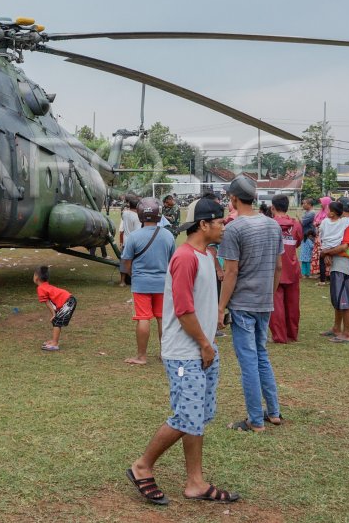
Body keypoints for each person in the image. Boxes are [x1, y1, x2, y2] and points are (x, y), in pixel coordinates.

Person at [126, 196, 239, 506]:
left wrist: (212, 330)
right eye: (219, 223)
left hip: (204, 348)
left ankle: (195, 482)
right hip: (186, 352)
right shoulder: (186, 257)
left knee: (197, 416)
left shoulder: (206, 256)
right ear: (204, 224)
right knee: (186, 416)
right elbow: (184, 310)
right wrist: (204, 343)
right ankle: (142, 466)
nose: (223, 228)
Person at [216, 175, 283, 433]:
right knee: (261, 355)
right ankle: (273, 412)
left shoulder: (234, 228)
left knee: (248, 361)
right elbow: (278, 266)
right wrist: (270, 293)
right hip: (264, 302)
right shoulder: (272, 225)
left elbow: (230, 273)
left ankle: (255, 419)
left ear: (232, 199)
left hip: (243, 303)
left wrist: (221, 307)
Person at [122, 197, 175, 364]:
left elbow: (127, 262)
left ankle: (141, 356)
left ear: (140, 215)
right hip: (162, 283)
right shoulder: (168, 236)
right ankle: (164, 354)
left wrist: (134, 275)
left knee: (143, 318)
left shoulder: (134, 237)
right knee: (162, 318)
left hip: (141, 283)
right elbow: (172, 260)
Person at [268, 195, 303, 344]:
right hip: (292, 267)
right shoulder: (296, 224)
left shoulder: (269, 225)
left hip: (273, 269)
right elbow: (298, 242)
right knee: (293, 303)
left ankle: (279, 336)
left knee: (275, 304)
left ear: (272, 208)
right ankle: (291, 334)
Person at [320, 202, 349, 343]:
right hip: (336, 264)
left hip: (343, 265)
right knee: (337, 298)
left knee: (343, 300)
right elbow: (326, 239)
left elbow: (344, 247)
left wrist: (325, 252)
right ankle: (336, 327)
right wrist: (327, 253)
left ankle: (346, 333)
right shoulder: (336, 224)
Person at [34, 265, 76, 351]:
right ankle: (54, 341)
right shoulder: (45, 286)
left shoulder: (40, 288)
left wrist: (54, 314)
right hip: (68, 300)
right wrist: (54, 313)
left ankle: (55, 344)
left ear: (36, 277)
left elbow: (47, 302)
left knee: (57, 321)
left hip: (68, 301)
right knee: (56, 320)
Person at [118, 194, 141, 285]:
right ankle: (133, 280)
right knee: (135, 261)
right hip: (134, 241)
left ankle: (122, 281)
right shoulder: (137, 217)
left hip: (125, 240)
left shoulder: (125, 213)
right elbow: (138, 232)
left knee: (124, 260)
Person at [312, 196, 331, 282]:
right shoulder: (320, 212)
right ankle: (321, 272)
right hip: (318, 236)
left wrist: (318, 223)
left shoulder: (330, 213)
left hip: (325, 237)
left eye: (322, 202)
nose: (320, 204)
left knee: (325, 254)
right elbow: (315, 222)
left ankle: (327, 274)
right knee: (319, 255)